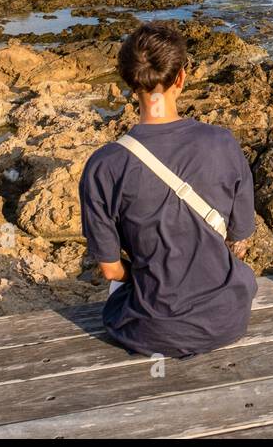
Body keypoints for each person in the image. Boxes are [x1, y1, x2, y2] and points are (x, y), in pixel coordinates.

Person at [80, 22, 257, 357]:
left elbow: (110, 270)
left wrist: (145, 273)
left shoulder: (104, 166)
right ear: (181, 78)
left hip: (151, 330)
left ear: (129, 84)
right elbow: (240, 239)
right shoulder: (222, 143)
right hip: (227, 319)